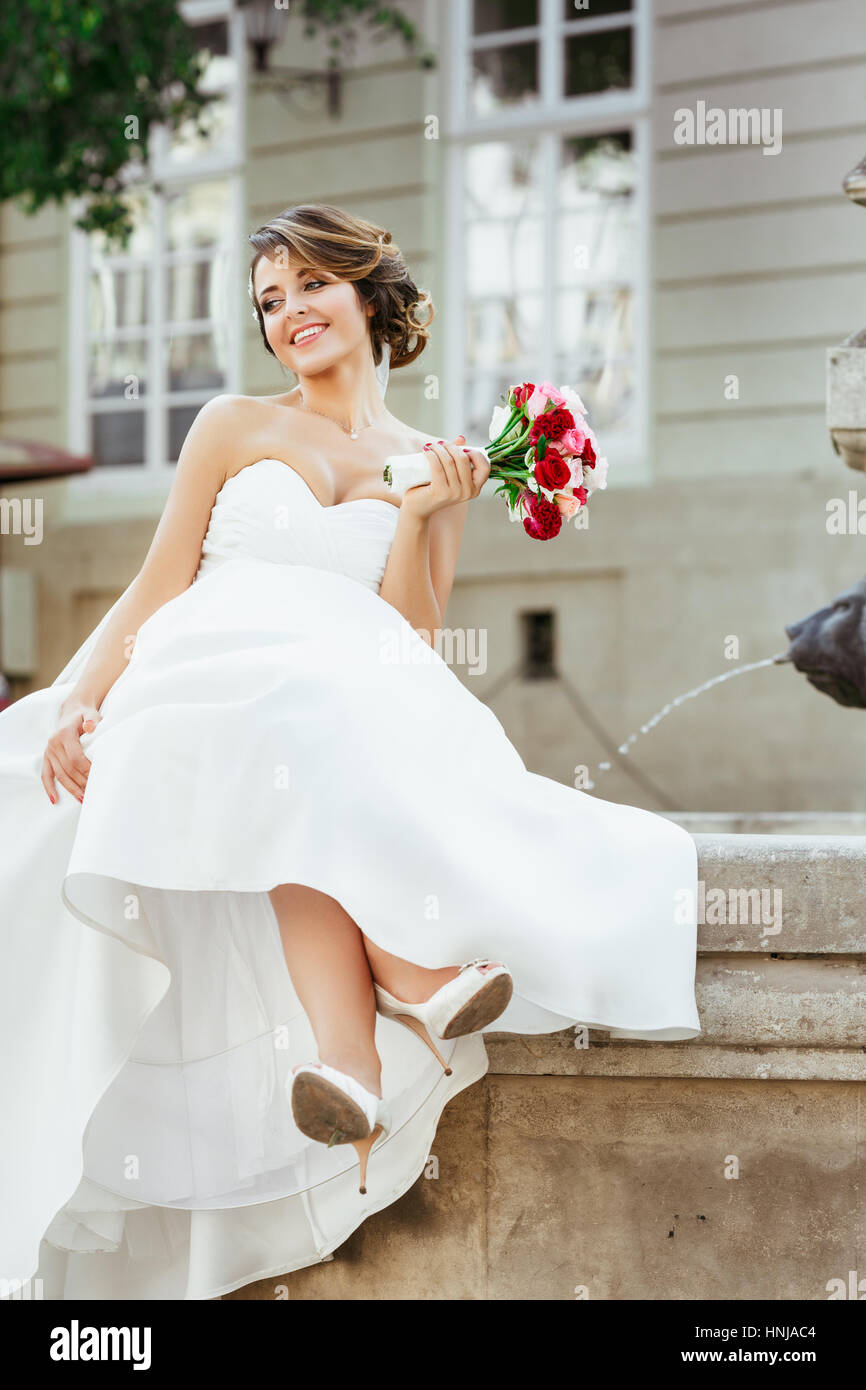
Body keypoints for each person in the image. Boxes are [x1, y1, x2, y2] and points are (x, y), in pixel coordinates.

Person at [0, 204, 701, 1301]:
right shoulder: (233, 425)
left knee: (305, 719)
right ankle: (406, 982)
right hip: (203, 685)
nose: (289, 316)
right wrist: (73, 701)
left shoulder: (431, 462)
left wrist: (422, 513)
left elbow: (409, 638)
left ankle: (347, 1062)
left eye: (308, 287)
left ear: (367, 291)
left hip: (329, 707)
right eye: (269, 302)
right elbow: (157, 581)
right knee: (276, 716)